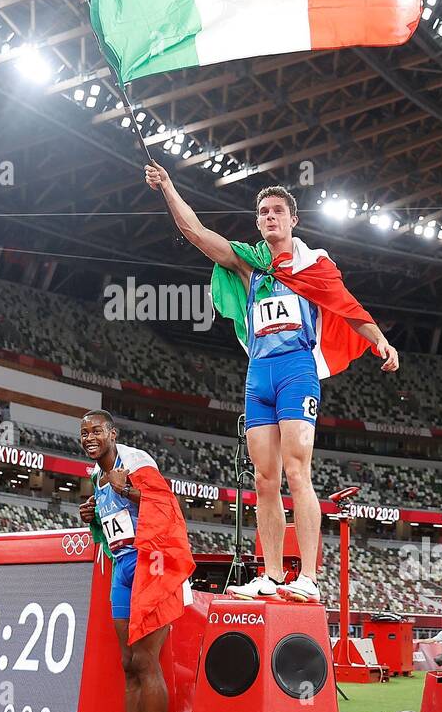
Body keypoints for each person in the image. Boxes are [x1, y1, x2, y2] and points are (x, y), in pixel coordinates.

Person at [146, 162, 397, 603]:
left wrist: (380, 341)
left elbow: (349, 306)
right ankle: (273, 574)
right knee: (265, 478)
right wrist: (167, 186)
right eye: (262, 212)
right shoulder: (248, 265)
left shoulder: (312, 266)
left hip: (296, 370)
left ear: (293, 219)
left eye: (277, 210)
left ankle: (309, 579)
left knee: (298, 471)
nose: (269, 217)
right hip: (258, 374)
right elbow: (196, 232)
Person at [79, 409, 194, 712]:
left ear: (112, 433)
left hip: (150, 563)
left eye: (96, 431)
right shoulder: (96, 475)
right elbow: (113, 525)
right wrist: (92, 514)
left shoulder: (136, 460)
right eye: (84, 434)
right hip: (121, 570)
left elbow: (168, 506)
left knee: (146, 660)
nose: (89, 438)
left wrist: (127, 489)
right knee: (128, 663)